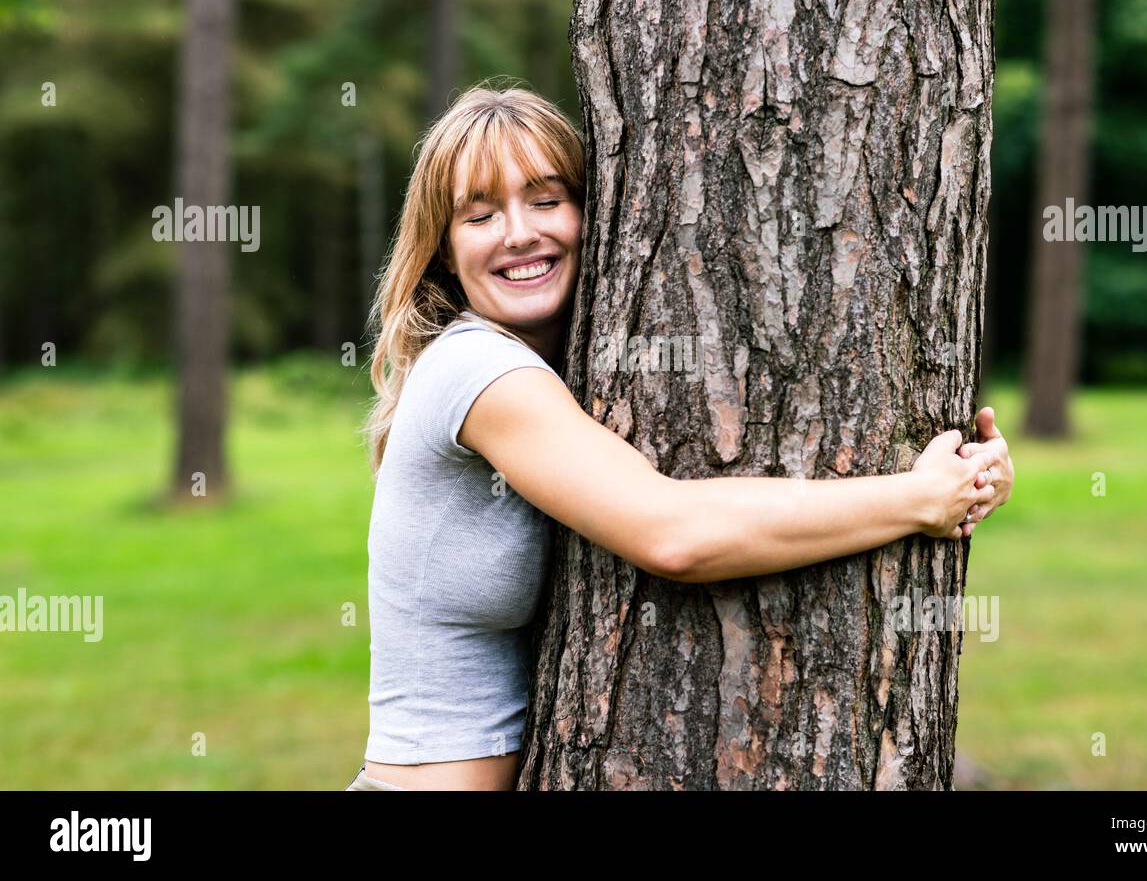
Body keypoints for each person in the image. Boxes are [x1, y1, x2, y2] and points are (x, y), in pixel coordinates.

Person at [347, 81, 1015, 791]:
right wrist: (917, 497)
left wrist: (971, 477)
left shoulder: (552, 375)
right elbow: (675, 534)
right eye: (480, 215)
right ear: (446, 249)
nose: (519, 232)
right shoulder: (475, 368)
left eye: (546, 199)